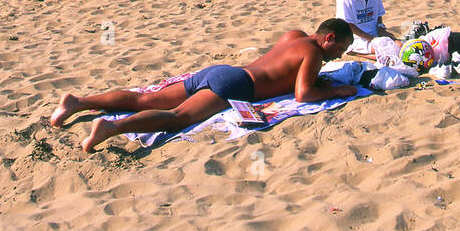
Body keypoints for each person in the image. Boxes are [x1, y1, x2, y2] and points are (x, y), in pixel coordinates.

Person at [49, 20, 358, 153]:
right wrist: (336, 90)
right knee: (180, 118)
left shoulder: (295, 35)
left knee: (147, 99)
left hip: (222, 71)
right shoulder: (314, 52)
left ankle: (78, 102)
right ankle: (110, 129)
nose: (337, 57)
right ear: (328, 38)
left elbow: (283, 69)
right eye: (339, 50)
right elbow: (303, 94)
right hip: (238, 86)